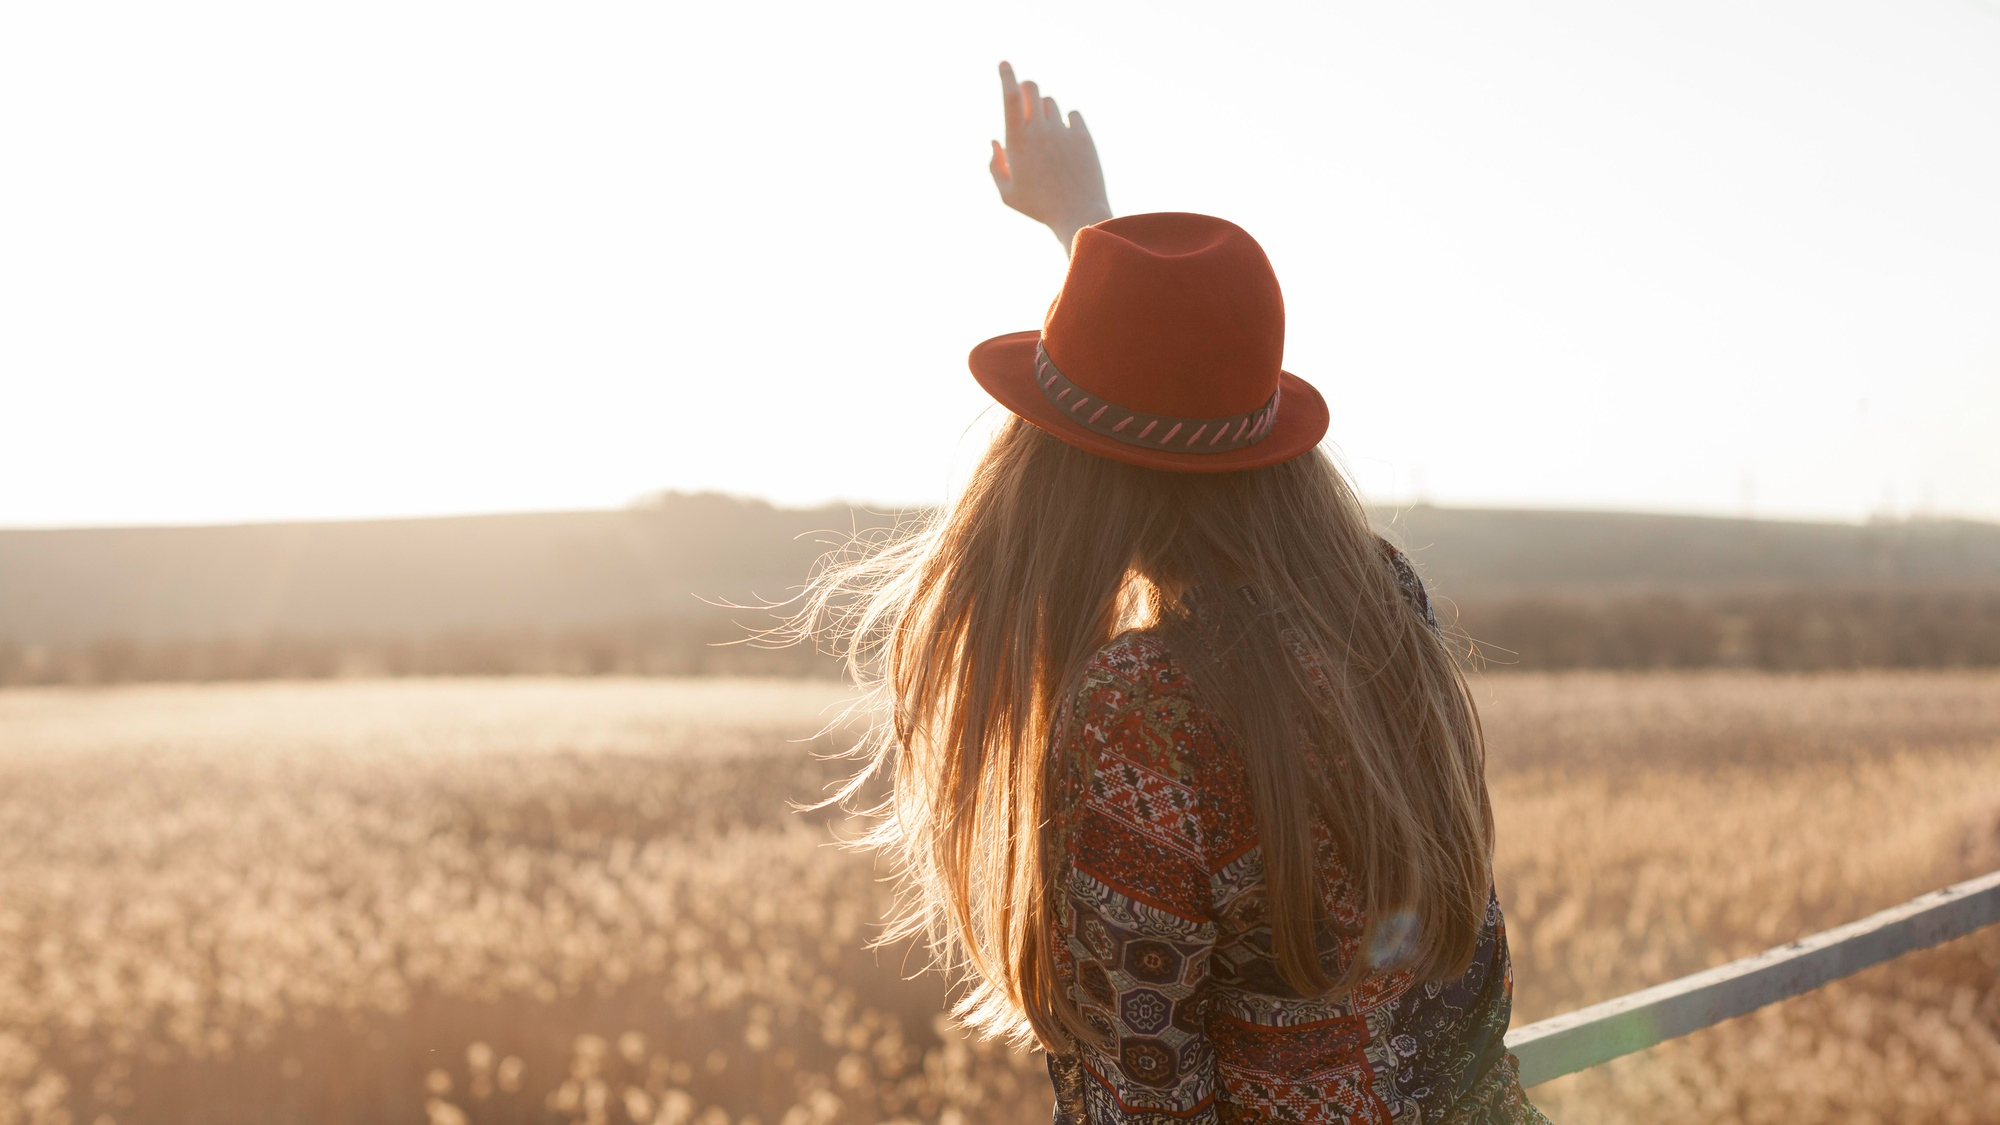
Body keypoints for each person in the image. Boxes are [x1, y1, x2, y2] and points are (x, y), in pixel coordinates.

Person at [799, 62, 1548, 1125]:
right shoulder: (1385, 604)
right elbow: (1177, 381)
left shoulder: (1142, 711)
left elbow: (1141, 1104)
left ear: (1068, 478)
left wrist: (1091, 242)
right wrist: (1087, 228)